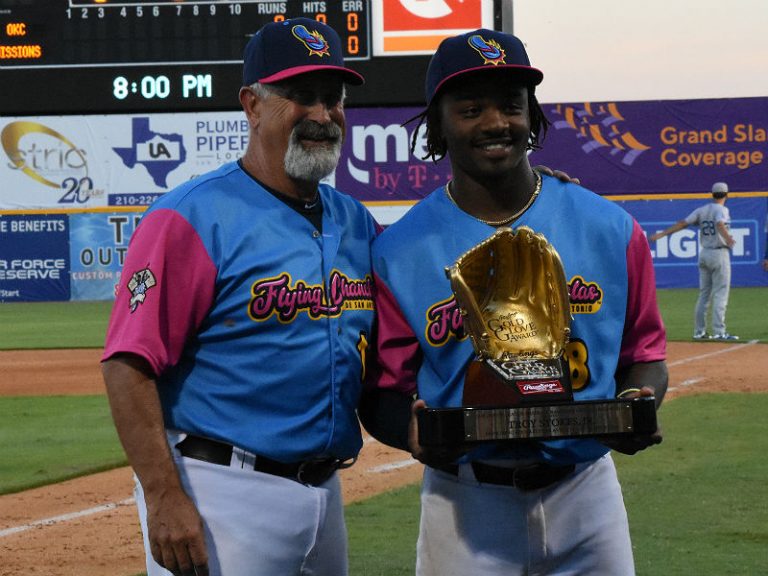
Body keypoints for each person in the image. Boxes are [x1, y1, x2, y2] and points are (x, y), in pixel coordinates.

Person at [359, 29, 668, 575]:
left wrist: (636, 404)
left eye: (511, 105)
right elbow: (384, 391)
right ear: (438, 124)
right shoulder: (399, 251)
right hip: (465, 501)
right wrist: (413, 432)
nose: (495, 122)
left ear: (532, 115)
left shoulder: (610, 229)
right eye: (470, 109)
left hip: (585, 493)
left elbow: (644, 356)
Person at [101, 18, 379, 576]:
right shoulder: (190, 216)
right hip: (220, 492)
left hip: (325, 492)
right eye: (301, 95)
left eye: (332, 98)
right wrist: (163, 495)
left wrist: (533, 184)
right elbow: (127, 363)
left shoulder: (355, 221)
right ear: (252, 105)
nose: (322, 114)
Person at [649, 182, 738, 340]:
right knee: (720, 293)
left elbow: (683, 223)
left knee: (704, 294)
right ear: (727, 194)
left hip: (704, 253)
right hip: (719, 253)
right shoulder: (722, 209)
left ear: (712, 194)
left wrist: (662, 234)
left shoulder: (702, 210)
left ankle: (699, 331)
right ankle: (719, 332)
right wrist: (728, 238)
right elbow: (719, 223)